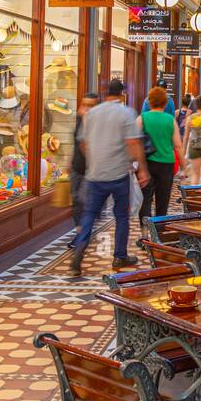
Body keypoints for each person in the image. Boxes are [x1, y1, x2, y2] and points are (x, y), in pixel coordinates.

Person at [69, 79, 150, 276]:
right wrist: (142, 170)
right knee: (122, 215)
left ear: (106, 94)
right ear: (122, 94)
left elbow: (83, 142)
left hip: (95, 174)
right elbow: (133, 142)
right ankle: (119, 255)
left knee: (89, 214)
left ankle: (79, 252)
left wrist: (94, 159)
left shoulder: (93, 113)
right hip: (118, 174)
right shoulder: (126, 113)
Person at [139, 86, 184, 223]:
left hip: (147, 163)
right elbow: (178, 145)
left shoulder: (142, 118)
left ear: (149, 102)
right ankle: (159, 231)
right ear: (165, 103)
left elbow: (134, 142)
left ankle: (145, 233)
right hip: (166, 164)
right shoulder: (170, 120)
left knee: (146, 199)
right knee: (163, 199)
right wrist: (183, 166)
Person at [69, 91, 100, 245]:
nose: (86, 108)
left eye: (91, 106)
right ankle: (80, 232)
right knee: (76, 200)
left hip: (91, 169)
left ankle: (82, 237)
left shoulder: (99, 124)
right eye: (84, 105)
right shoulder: (79, 120)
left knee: (85, 201)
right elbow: (75, 143)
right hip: (76, 167)